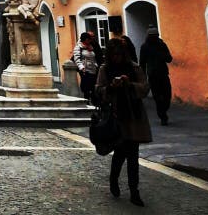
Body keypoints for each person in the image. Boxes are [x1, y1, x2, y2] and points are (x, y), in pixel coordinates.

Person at [96, 37, 151, 207]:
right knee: (120, 154)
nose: (117, 58)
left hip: (133, 116)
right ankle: (114, 179)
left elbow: (145, 88)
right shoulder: (105, 69)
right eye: (114, 55)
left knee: (133, 156)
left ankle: (134, 192)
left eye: (119, 54)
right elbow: (98, 91)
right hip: (116, 116)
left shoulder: (134, 68)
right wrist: (111, 87)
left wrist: (130, 84)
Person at [139, 26, 173, 125]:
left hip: (163, 73)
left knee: (167, 95)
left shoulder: (162, 45)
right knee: (157, 97)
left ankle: (164, 111)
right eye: (152, 36)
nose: (154, 37)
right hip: (153, 75)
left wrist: (161, 54)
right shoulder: (144, 47)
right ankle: (162, 116)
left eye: (155, 36)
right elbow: (142, 62)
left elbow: (169, 58)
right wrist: (143, 76)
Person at [73, 32, 99, 102]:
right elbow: (77, 59)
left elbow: (93, 58)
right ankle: (87, 101)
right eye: (89, 39)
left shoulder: (91, 46)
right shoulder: (78, 47)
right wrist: (82, 68)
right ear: (85, 39)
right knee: (87, 88)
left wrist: (96, 65)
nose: (90, 41)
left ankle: (94, 103)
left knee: (93, 87)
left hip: (93, 69)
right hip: (85, 70)